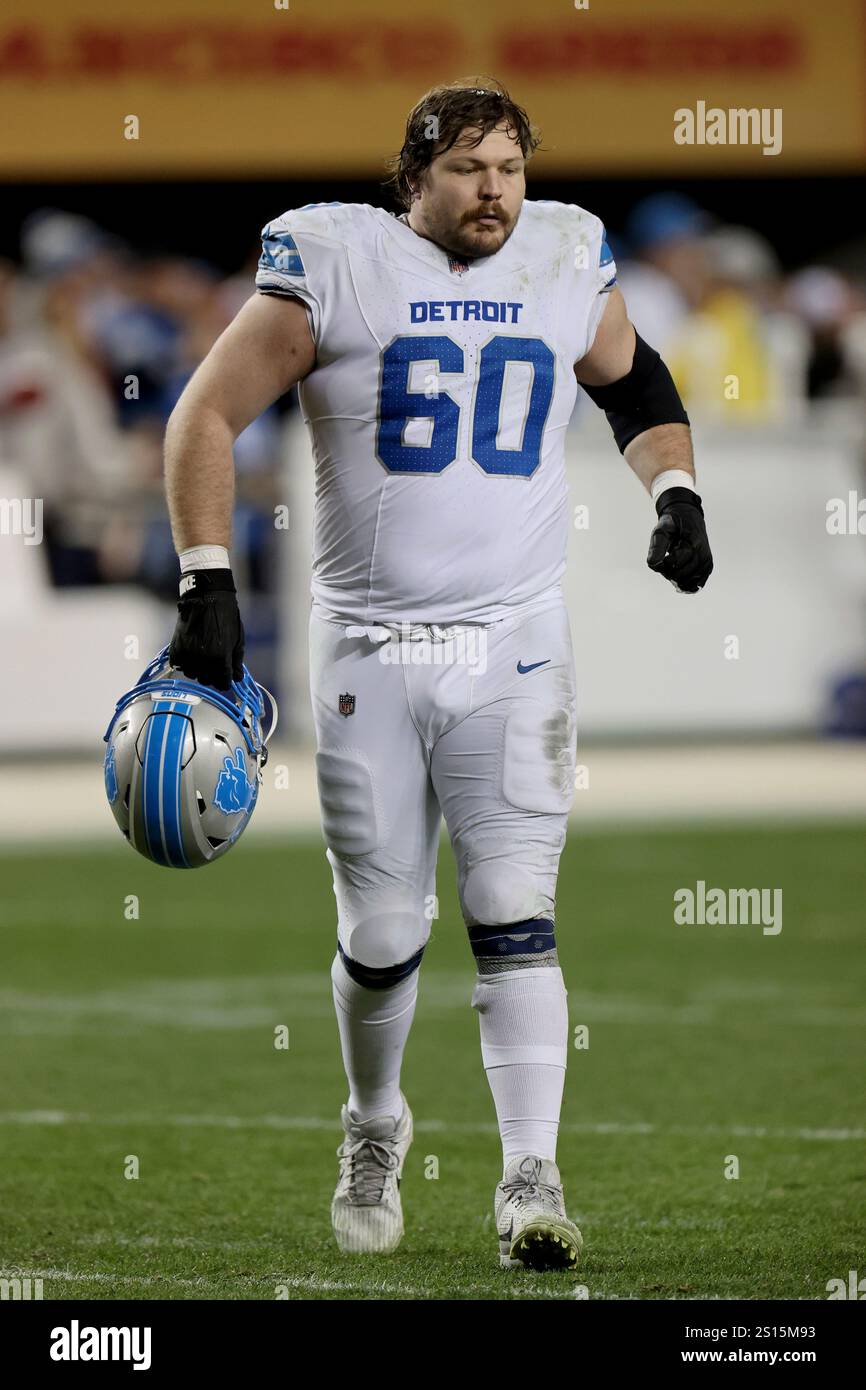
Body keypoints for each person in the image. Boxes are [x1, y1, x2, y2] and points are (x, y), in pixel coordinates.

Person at [163, 78, 713, 1273]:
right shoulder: (336, 258)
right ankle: (374, 1123)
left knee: (515, 912)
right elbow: (206, 414)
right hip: (367, 649)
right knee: (377, 930)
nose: (494, 189)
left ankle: (531, 1175)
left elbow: (631, 379)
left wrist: (671, 490)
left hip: (516, 643)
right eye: (467, 167)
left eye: (509, 166)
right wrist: (207, 580)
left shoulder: (568, 251)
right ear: (412, 178)